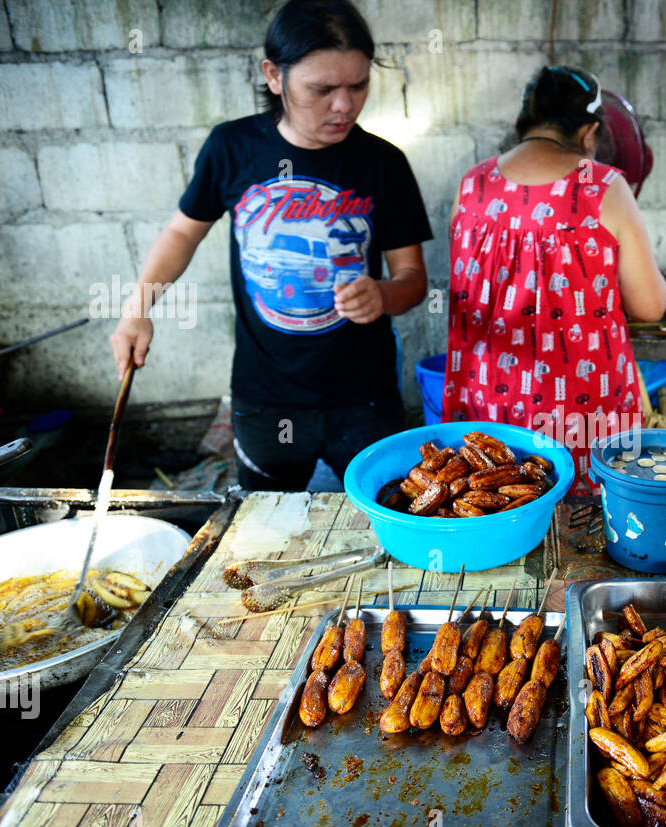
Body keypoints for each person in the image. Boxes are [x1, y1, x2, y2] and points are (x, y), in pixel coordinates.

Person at [109, 0, 430, 491]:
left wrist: (383, 295)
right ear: (274, 77)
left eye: (358, 85)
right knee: (265, 527)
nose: (344, 105)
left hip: (363, 398)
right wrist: (137, 309)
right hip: (267, 398)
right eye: (322, 89)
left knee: (380, 520)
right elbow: (181, 232)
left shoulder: (383, 163)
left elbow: (412, 280)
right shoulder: (232, 148)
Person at [441, 65, 666, 491]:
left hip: (490, 396)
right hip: (579, 404)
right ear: (588, 133)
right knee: (581, 514)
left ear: (521, 124)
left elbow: (473, 286)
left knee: (494, 494)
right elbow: (650, 306)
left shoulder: (473, 184)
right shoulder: (602, 185)